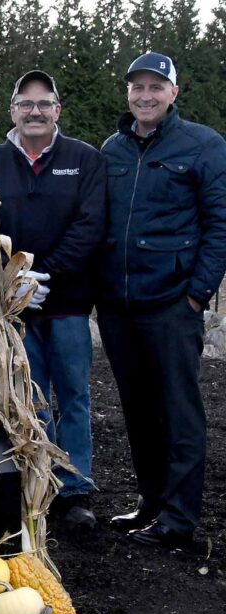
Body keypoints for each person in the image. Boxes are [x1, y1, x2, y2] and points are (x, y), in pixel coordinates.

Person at [97, 52, 226, 548]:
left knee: (178, 412)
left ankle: (178, 517)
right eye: (137, 87)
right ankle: (150, 503)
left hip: (172, 304)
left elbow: (220, 225)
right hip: (118, 306)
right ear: (127, 93)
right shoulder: (113, 149)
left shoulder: (203, 145)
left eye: (156, 87)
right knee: (138, 410)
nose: (145, 96)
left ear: (173, 93)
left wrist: (197, 294)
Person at [0, 70, 106, 532]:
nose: (35, 111)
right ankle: (40, 483)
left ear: (58, 110)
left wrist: (44, 274)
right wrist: (10, 279)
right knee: (29, 398)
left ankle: (75, 488)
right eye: (25, 103)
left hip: (69, 304)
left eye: (44, 103)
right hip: (14, 307)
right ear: (13, 110)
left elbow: (90, 226)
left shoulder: (84, 159)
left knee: (73, 396)